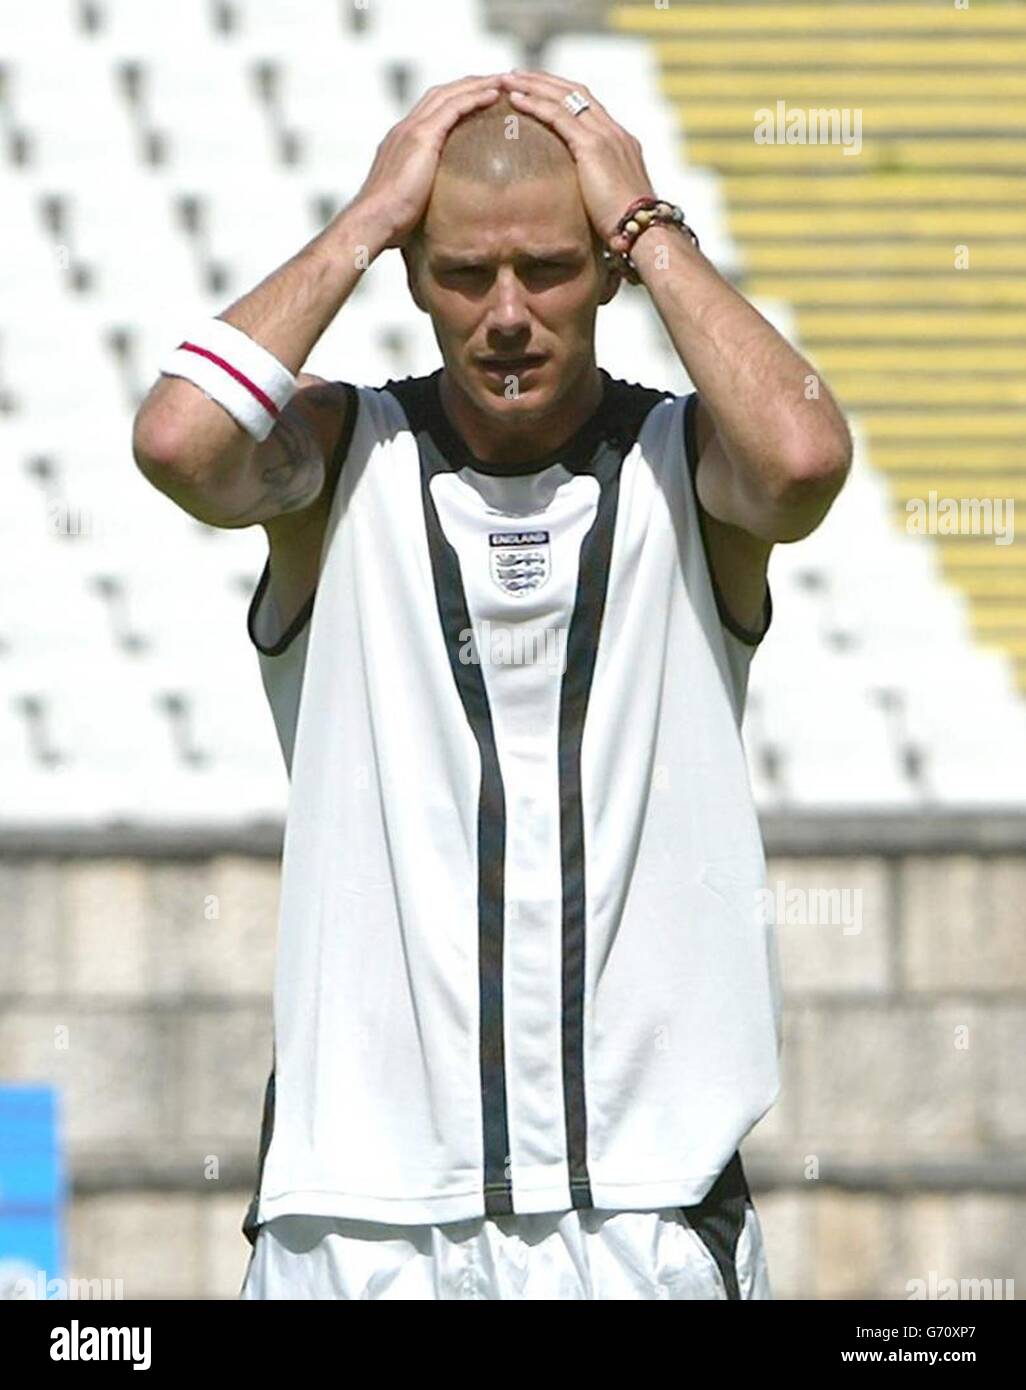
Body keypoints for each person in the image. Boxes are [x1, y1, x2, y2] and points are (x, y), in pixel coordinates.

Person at [132, 70, 851, 1300]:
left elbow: (800, 461)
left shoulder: (691, 465)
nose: (507, 314)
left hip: (642, 1205)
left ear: (612, 268)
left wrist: (649, 224)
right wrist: (366, 221)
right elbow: (177, 443)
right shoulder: (341, 452)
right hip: (354, 1210)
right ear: (413, 277)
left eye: (552, 269)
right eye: (464, 274)